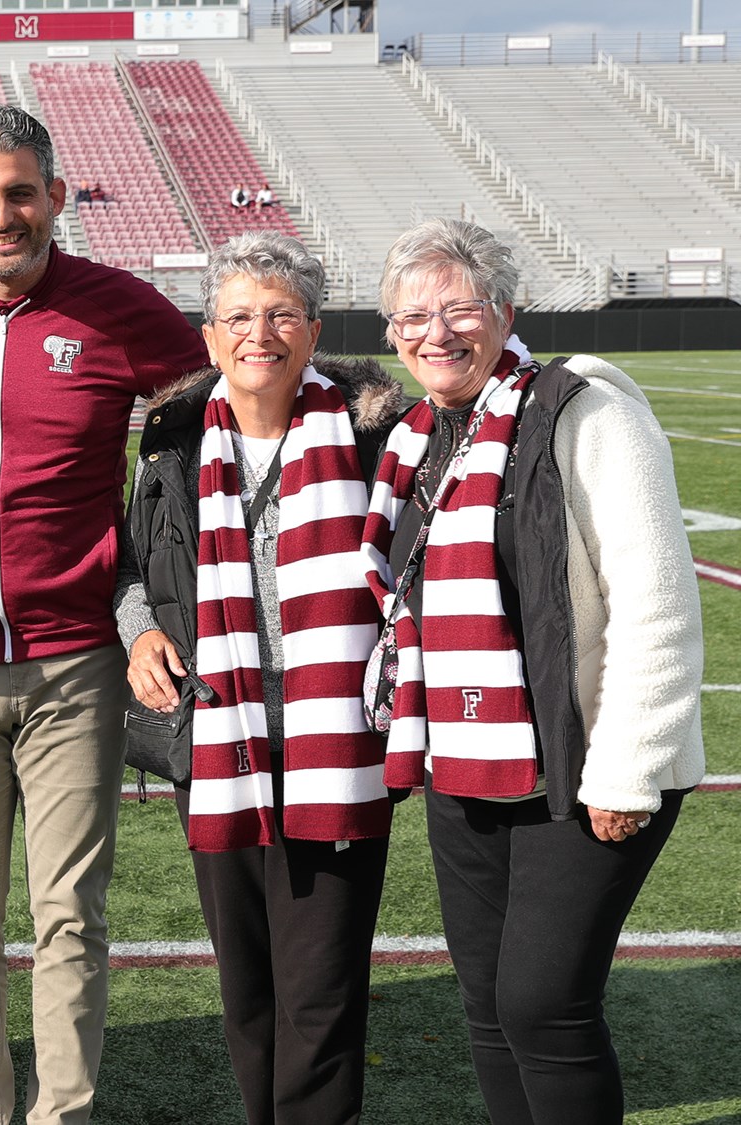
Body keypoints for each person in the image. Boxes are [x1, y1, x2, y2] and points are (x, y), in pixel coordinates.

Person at [0, 104, 205, 1125]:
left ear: (56, 197)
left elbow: (221, 417)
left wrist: (149, 605)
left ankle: (60, 1115)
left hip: (75, 667)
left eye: (19, 192)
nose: (0, 215)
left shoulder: (124, 309)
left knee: (69, 917)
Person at [362, 218, 705, 1125]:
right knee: (486, 1005)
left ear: (505, 310)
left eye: (458, 308)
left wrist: (629, 766)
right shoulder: (420, 441)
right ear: (391, 335)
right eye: (411, 317)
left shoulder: (583, 410)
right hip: (465, 757)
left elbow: (658, 599)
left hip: (581, 755)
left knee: (543, 1004)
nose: (435, 333)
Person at [116, 233, 405, 1124]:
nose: (260, 332)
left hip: (339, 734)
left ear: (314, 331)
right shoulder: (169, 445)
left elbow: (420, 567)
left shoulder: (374, 436)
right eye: (239, 315)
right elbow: (130, 566)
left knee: (319, 984)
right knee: (245, 981)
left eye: (282, 313)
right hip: (214, 732)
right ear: (208, 338)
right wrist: (136, 636)